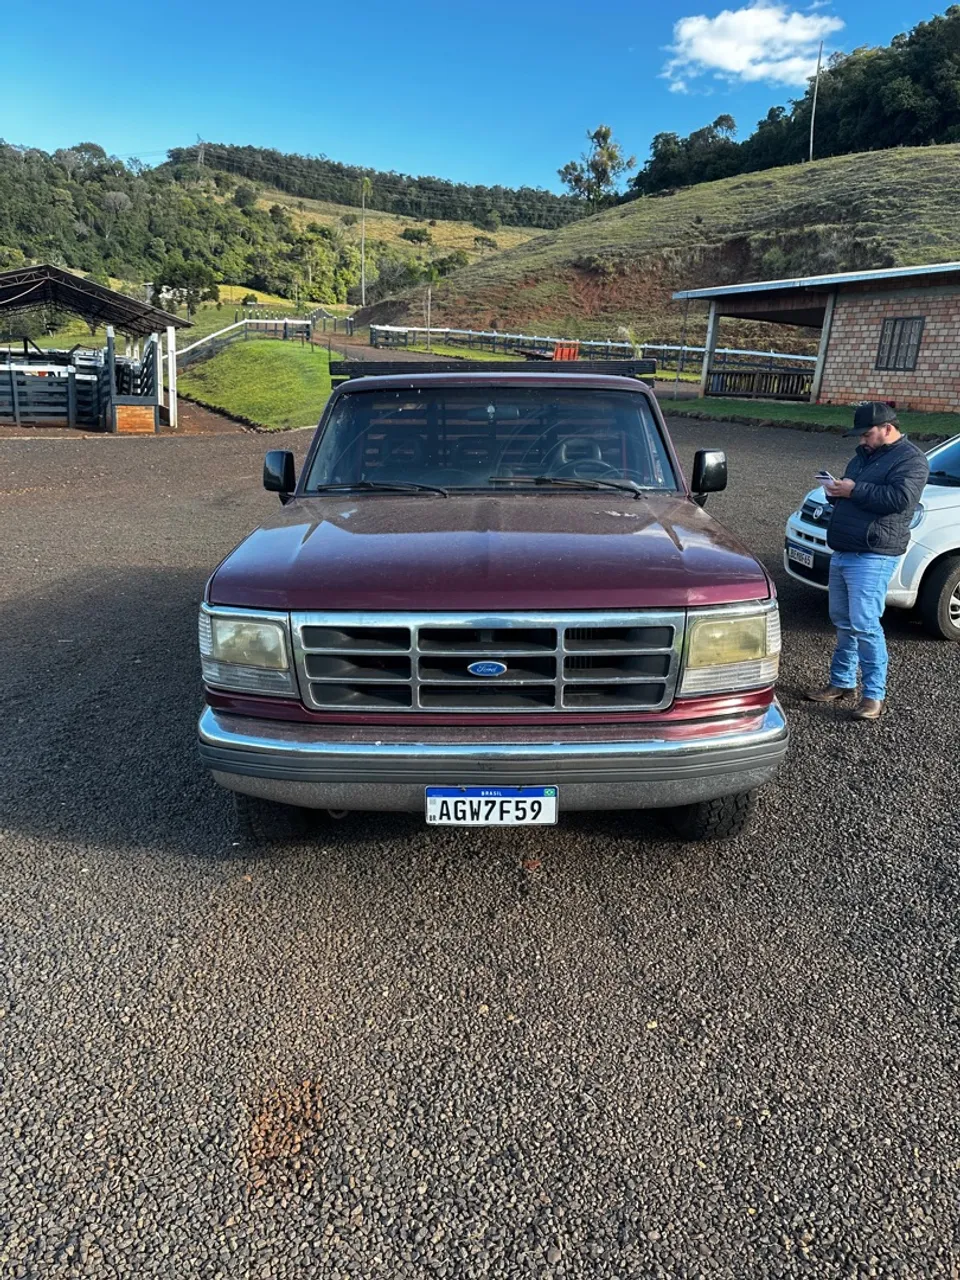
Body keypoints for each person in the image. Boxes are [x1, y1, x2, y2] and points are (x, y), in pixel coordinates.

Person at [805, 401, 929, 721]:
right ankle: (842, 682)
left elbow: (900, 499)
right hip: (845, 550)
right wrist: (837, 492)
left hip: (873, 554)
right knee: (843, 621)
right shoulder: (862, 457)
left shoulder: (912, 460)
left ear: (888, 428)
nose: (862, 440)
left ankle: (874, 695)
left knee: (864, 624)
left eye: (867, 433)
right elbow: (857, 495)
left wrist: (854, 490)